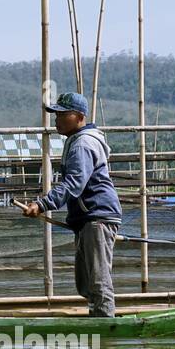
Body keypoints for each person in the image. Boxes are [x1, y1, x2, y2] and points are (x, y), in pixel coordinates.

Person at [20, 92, 122, 317]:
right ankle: (99, 316)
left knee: (98, 280)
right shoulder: (77, 141)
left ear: (79, 117)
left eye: (62, 114)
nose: (56, 119)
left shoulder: (83, 144)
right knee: (85, 282)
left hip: (97, 216)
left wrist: (43, 204)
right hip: (88, 218)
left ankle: (106, 328)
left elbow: (74, 183)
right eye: (56, 114)